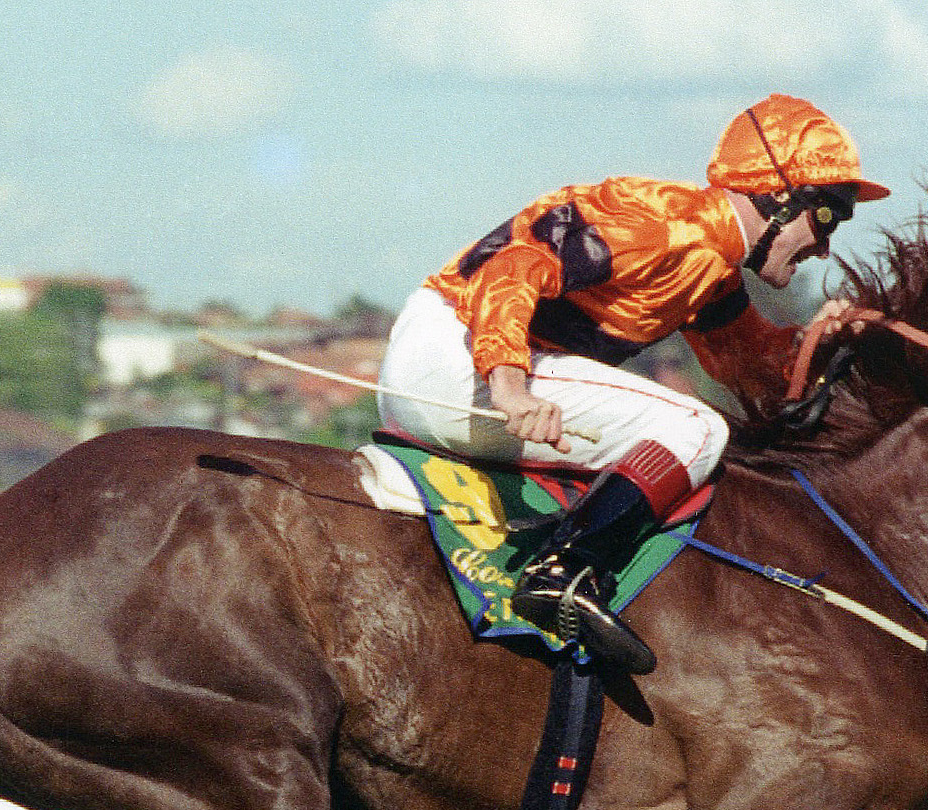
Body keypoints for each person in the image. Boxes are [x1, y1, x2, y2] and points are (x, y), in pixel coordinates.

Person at [377, 94, 888, 672]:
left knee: (684, 436)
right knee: (696, 429)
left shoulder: (712, 271)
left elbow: (754, 367)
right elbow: (511, 269)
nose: (825, 245)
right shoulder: (659, 226)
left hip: (459, 370)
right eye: (827, 215)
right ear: (777, 196)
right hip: (451, 357)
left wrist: (823, 341)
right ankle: (562, 572)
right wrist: (511, 385)